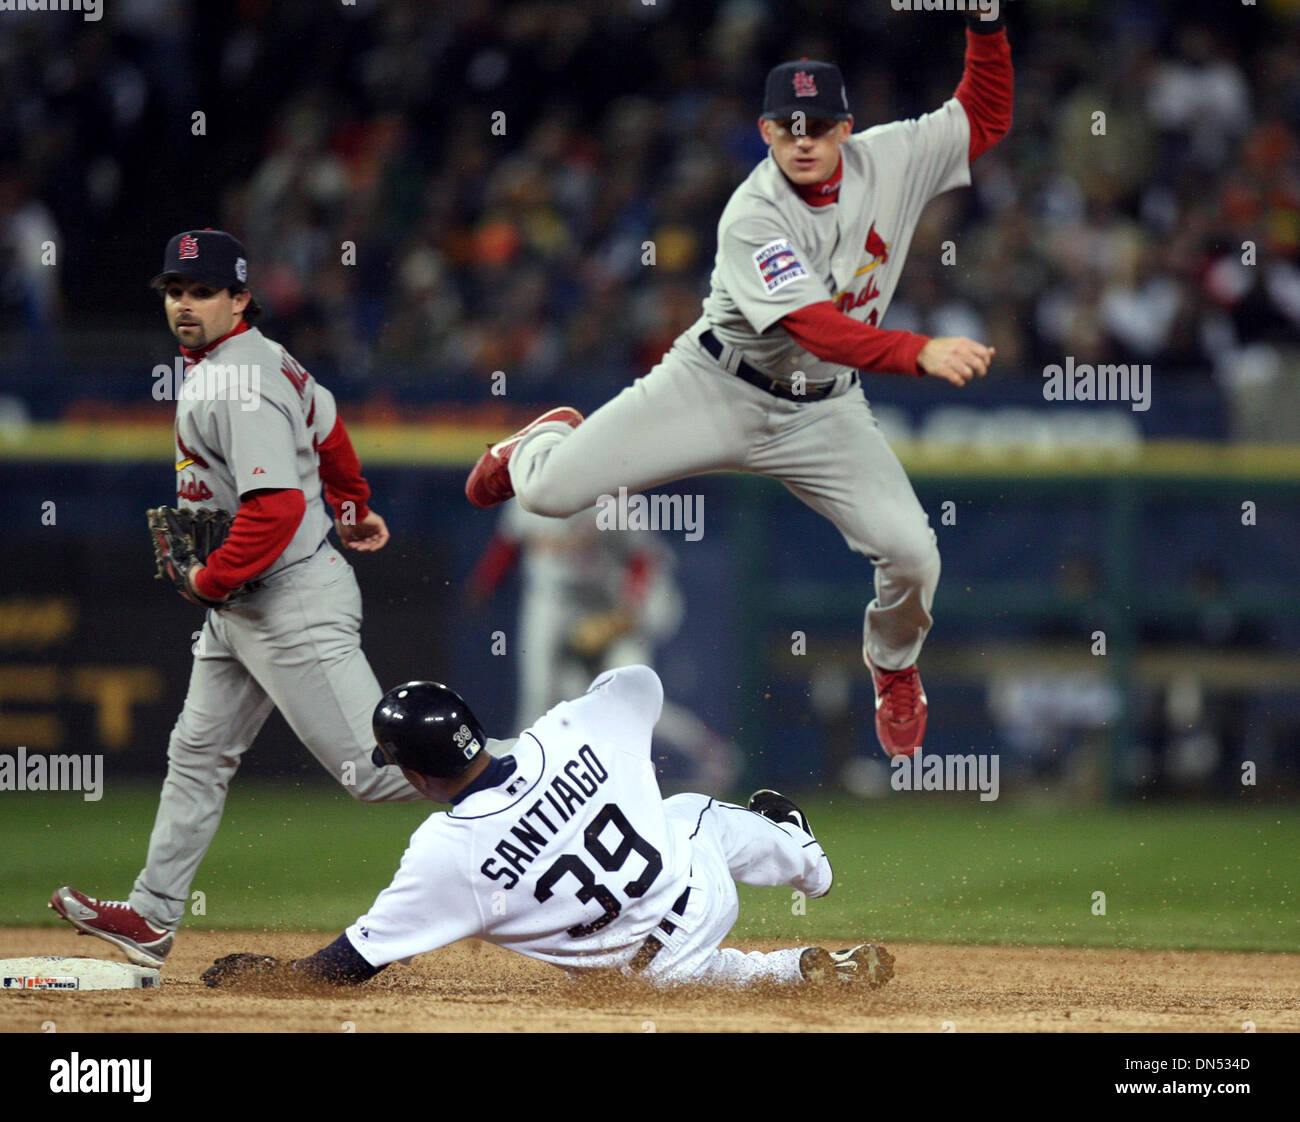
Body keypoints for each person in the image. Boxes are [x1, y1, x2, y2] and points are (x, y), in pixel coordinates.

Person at [465, 10, 1014, 758]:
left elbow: (984, 116)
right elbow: (811, 326)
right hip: (716, 386)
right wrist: (914, 351)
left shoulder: (895, 157)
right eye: (787, 126)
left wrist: (984, 24)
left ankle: (892, 665)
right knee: (547, 494)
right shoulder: (753, 214)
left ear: (846, 127)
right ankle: (543, 438)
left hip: (824, 411)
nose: (803, 139)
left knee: (915, 555)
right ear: (764, 132)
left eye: (818, 124)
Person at [50, 229, 421, 968]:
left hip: (287, 598)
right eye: (175, 292)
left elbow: (277, 507)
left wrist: (207, 581)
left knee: (382, 774)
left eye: (203, 292)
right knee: (196, 753)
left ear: (240, 299)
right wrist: (351, 503)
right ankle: (152, 916)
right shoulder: (249, 360)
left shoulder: (237, 378)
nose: (185, 305)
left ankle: (547, 785)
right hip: (249, 600)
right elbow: (329, 422)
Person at [201, 668, 895, 990]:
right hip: (702, 894)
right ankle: (807, 866)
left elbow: (347, 965)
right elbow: (640, 683)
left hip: (642, 973)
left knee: (684, 960)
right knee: (688, 814)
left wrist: (275, 976)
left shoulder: (445, 854)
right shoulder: (571, 730)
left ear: (412, 777)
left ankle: (781, 971)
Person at [469, 500, 740, 791]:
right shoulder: (529, 491)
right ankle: (525, 782)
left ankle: (712, 753)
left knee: (633, 701)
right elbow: (507, 545)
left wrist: (622, 618)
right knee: (541, 696)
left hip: (608, 605)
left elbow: (644, 559)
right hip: (549, 603)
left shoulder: (611, 495)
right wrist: (483, 585)